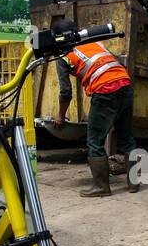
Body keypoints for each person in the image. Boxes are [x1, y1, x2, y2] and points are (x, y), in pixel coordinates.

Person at [52, 18, 139, 197]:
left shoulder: (64, 55)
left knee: (95, 141)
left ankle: (101, 187)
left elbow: (65, 91)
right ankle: (133, 184)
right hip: (125, 85)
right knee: (127, 138)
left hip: (105, 91)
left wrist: (61, 116)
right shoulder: (95, 42)